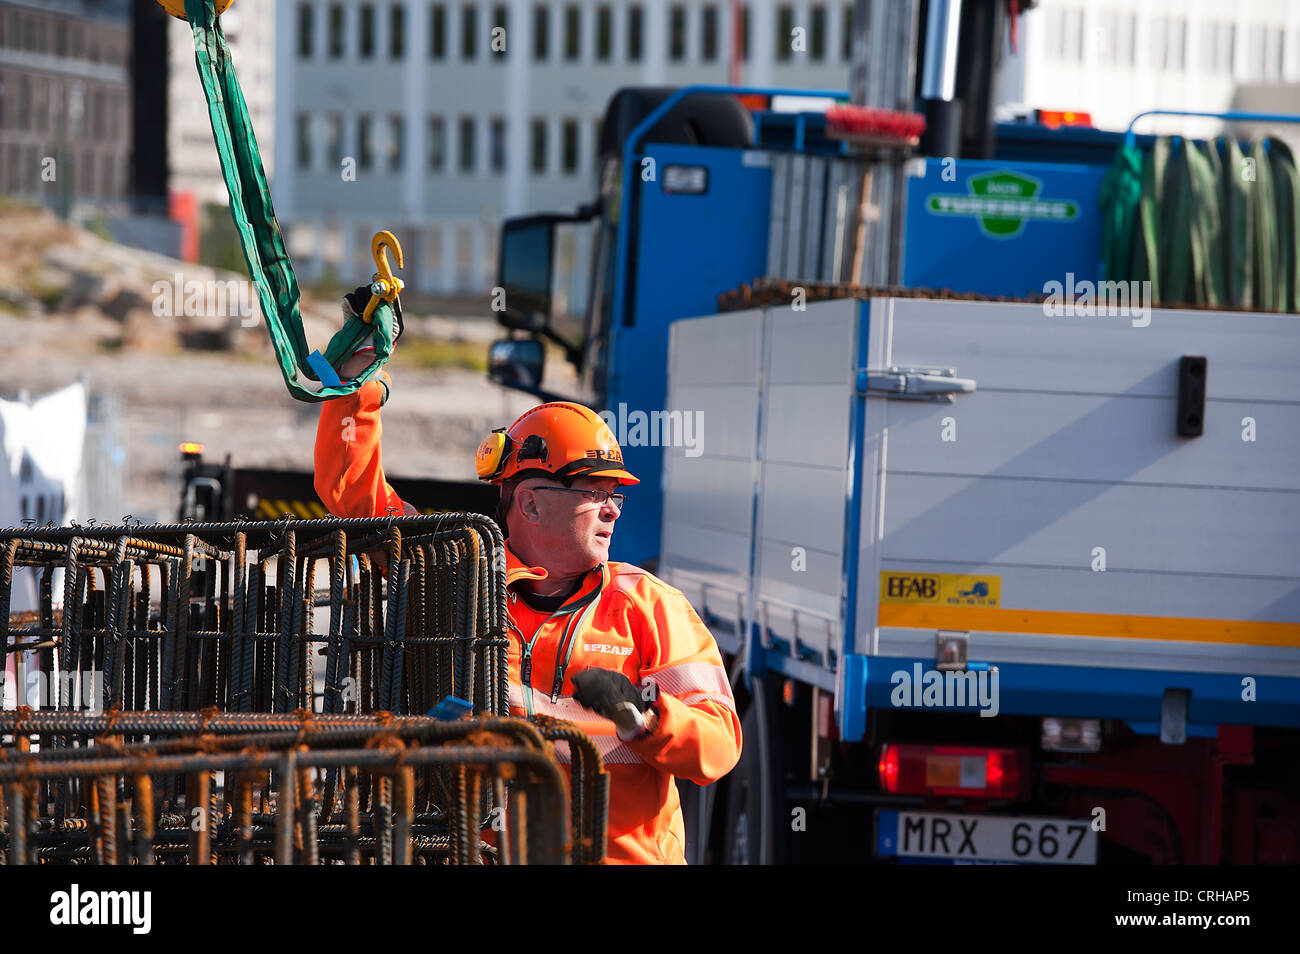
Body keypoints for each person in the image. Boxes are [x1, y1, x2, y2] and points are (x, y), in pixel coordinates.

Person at [313, 294, 742, 864]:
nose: (613, 508)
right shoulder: (459, 579)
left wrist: (644, 714)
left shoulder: (648, 606)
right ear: (533, 503)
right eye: (594, 493)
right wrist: (358, 375)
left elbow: (717, 750)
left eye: (613, 495)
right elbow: (353, 494)